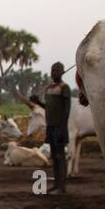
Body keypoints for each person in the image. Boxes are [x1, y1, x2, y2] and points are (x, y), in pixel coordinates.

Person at [31, 61, 72, 194]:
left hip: (60, 127)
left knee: (60, 156)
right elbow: (47, 108)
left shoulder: (64, 88)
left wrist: (62, 127)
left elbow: (66, 110)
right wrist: (37, 102)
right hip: (51, 126)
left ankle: (62, 187)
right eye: (52, 70)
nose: (53, 73)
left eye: (56, 70)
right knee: (54, 156)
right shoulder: (48, 89)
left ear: (62, 72)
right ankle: (56, 185)